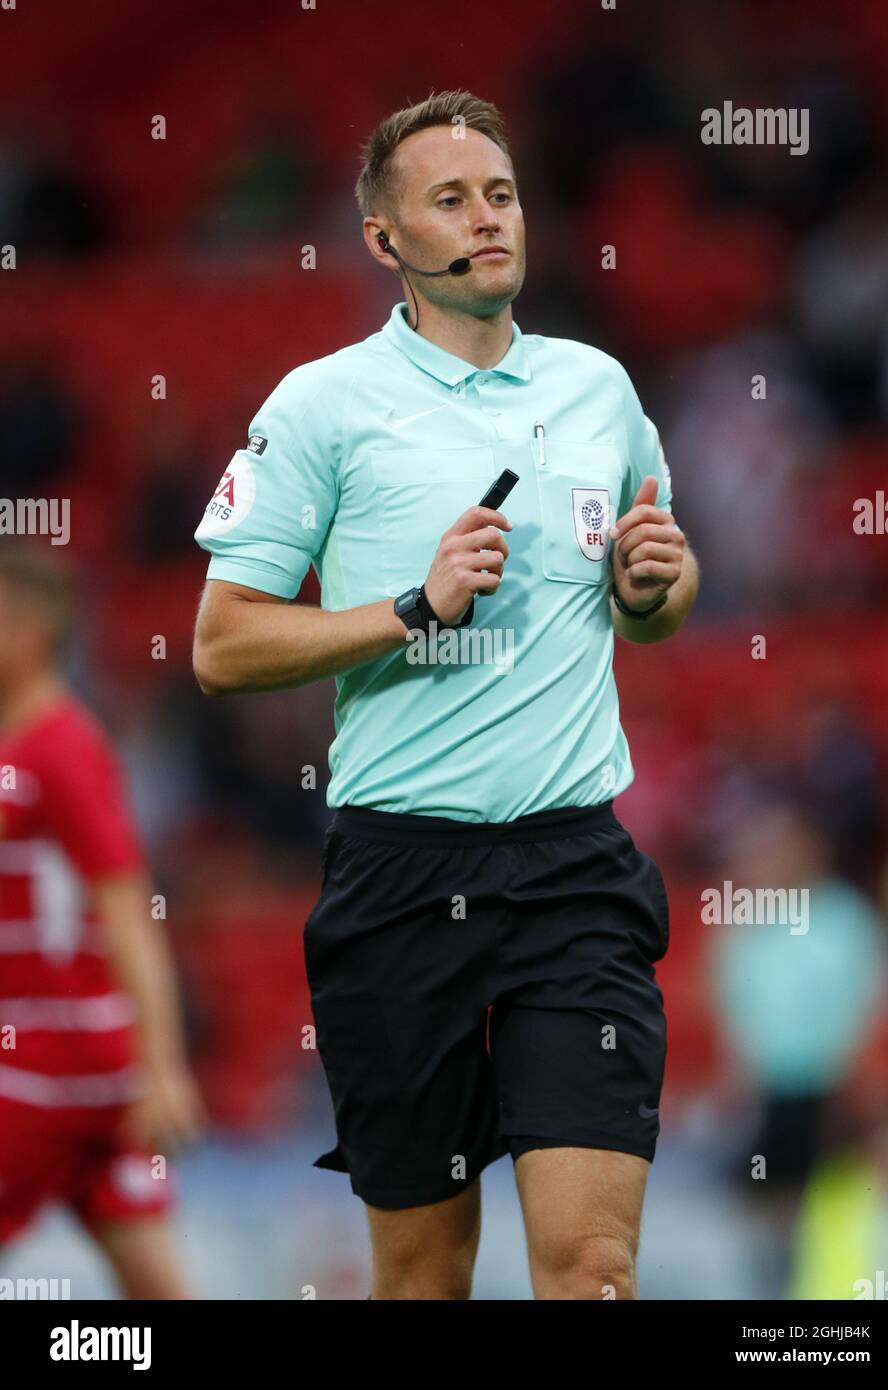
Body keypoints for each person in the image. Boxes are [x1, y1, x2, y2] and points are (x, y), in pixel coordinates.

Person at [192, 89, 699, 1300]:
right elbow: (219, 645)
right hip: (399, 878)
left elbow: (653, 609)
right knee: (424, 1280)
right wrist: (411, 609)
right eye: (452, 200)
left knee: (593, 1269)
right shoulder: (321, 404)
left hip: (574, 874)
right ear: (384, 240)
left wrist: (654, 587)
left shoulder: (597, 389)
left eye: (502, 194)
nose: (487, 219)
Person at [0, 546, 203, 1298]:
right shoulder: (21, 745)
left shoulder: (64, 748)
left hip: (49, 1065)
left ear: (27, 632)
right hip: (80, 1066)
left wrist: (164, 1066)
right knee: (152, 1279)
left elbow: (128, 908)